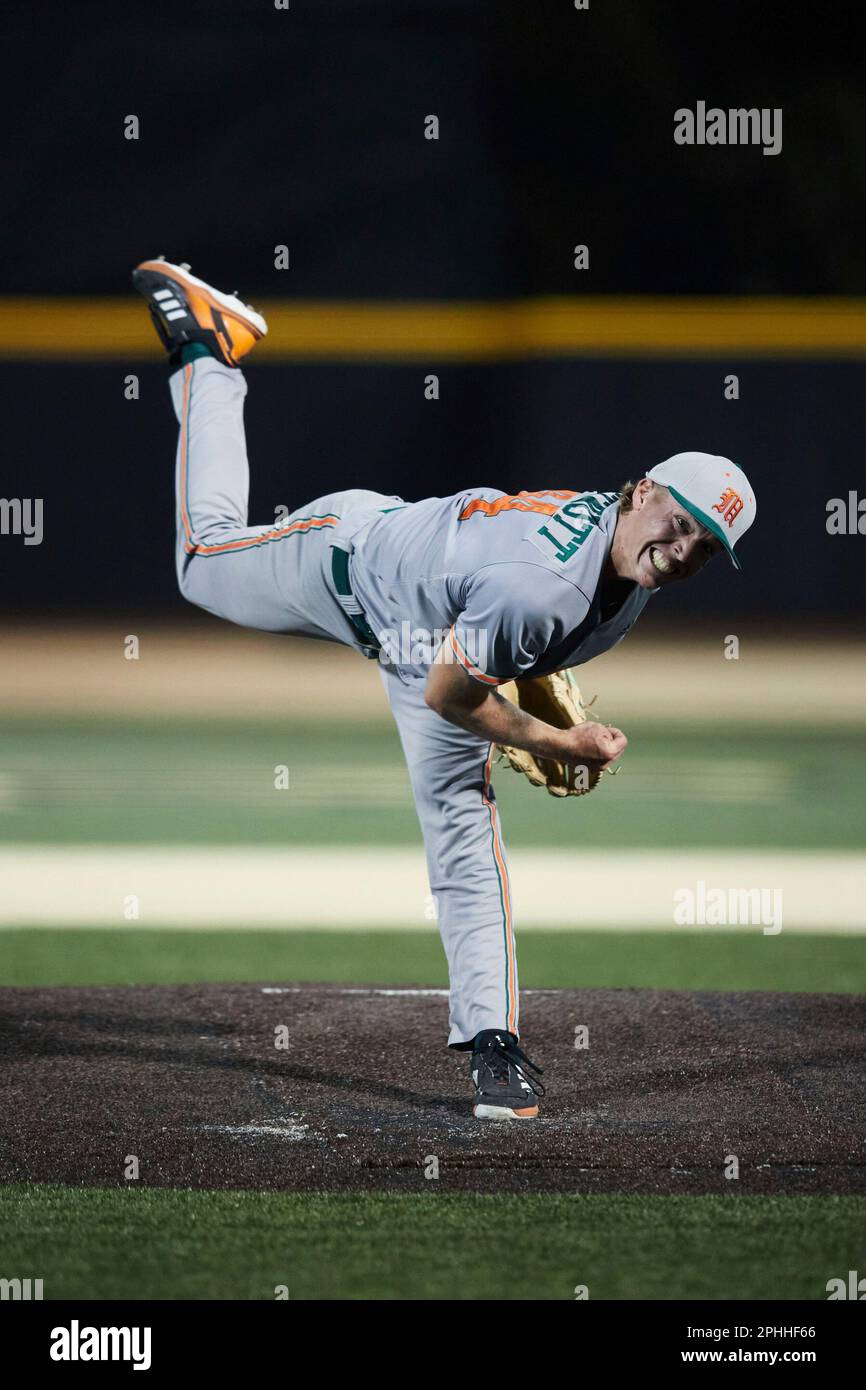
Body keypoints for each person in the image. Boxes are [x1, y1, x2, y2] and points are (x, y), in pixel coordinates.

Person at [132, 258, 757, 1119]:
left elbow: (510, 647)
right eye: (678, 522)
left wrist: (534, 702)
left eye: (704, 547)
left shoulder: (621, 572)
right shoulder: (553, 585)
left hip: (428, 624)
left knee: (464, 832)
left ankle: (494, 1046)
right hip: (345, 562)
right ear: (641, 490)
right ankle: (212, 350)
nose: (682, 548)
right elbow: (453, 694)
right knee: (203, 559)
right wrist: (556, 740)